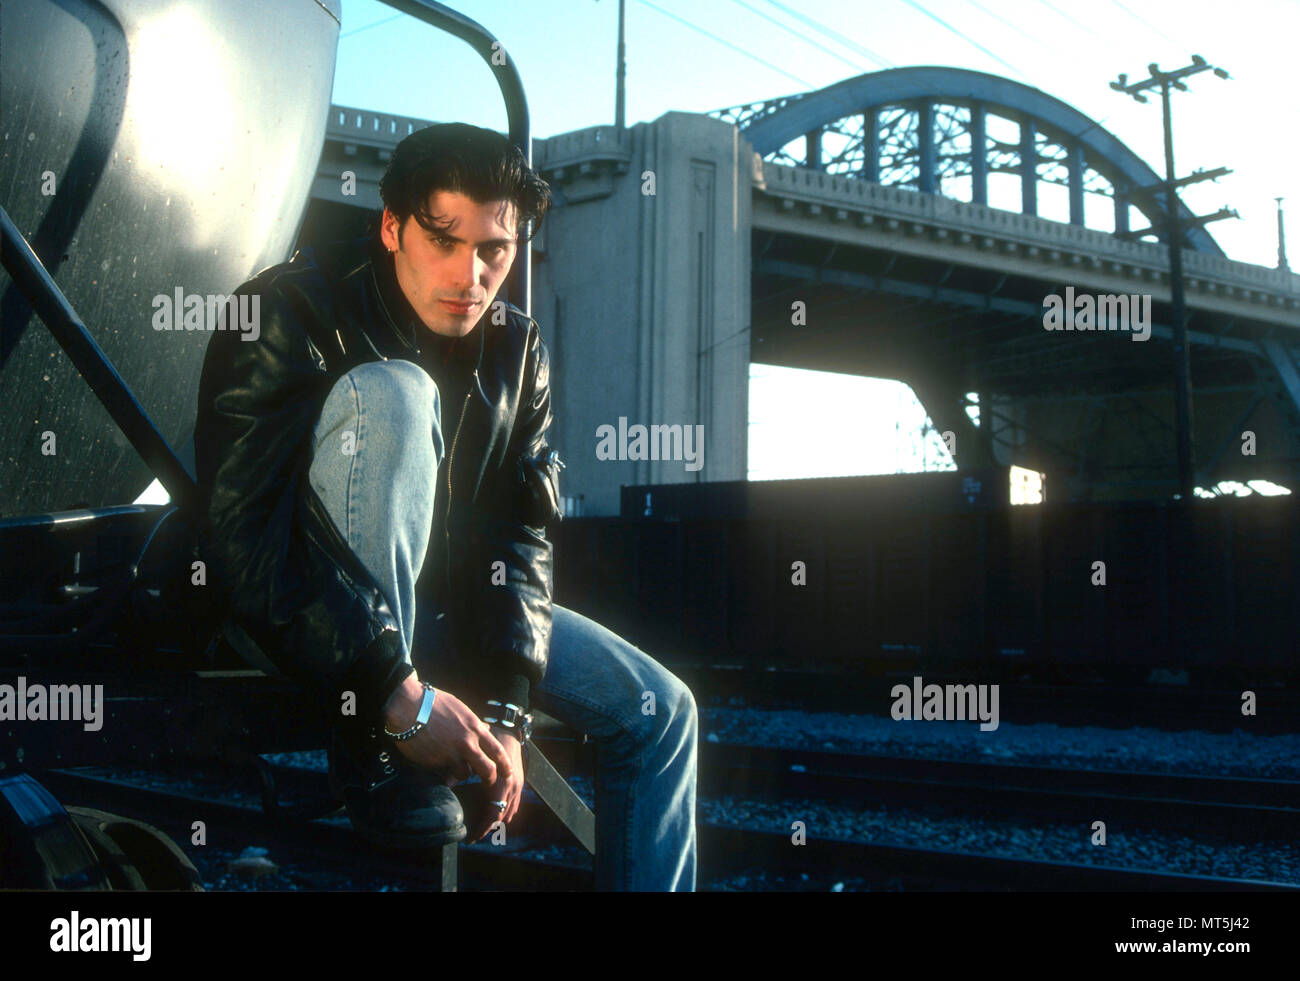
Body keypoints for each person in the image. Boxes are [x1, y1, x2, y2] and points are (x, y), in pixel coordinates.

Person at [193, 123, 697, 891]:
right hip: (313, 616)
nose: (472, 273)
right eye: (444, 239)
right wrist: (394, 691)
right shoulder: (288, 311)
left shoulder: (515, 348)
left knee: (664, 712)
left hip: (450, 611)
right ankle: (375, 746)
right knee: (397, 392)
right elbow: (243, 544)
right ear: (392, 226)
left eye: (497, 249)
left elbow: (519, 535)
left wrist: (509, 705)